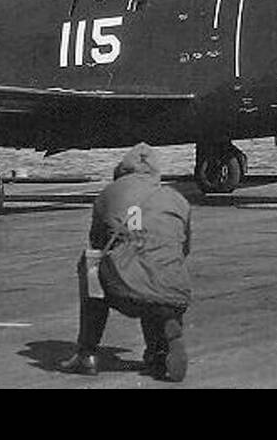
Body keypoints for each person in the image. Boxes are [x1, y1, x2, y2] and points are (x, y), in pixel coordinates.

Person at [71, 142, 193, 381]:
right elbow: (185, 248)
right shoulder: (177, 199)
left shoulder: (109, 193)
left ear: (122, 171)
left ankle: (87, 354)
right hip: (175, 293)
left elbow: (96, 241)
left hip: (127, 289)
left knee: (92, 265)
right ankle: (159, 350)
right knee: (155, 265)